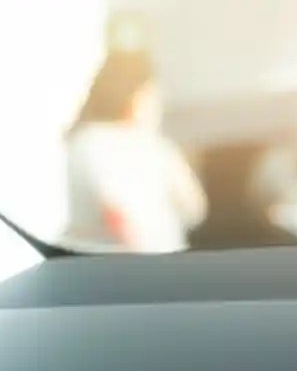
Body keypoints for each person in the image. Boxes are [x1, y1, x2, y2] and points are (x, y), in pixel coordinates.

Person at [64, 52, 207, 252]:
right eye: (153, 94)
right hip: (130, 266)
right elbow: (115, 213)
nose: (158, 103)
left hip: (143, 265)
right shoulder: (96, 143)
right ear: (135, 95)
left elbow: (194, 209)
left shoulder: (152, 145)